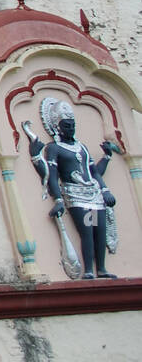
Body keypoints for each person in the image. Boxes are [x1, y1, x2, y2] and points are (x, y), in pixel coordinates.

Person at [23, 100, 117, 279]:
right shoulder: (54, 148)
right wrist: (58, 200)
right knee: (87, 231)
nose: (71, 128)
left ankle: (102, 268)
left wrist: (105, 189)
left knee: (100, 229)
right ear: (57, 127)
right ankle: (89, 269)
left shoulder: (81, 147)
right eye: (67, 125)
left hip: (93, 194)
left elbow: (94, 172)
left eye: (73, 125)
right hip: (75, 195)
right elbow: (51, 174)